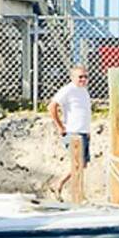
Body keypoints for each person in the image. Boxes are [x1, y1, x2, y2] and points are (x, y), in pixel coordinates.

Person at [49, 65, 92, 202]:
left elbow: (83, 112)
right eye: (80, 77)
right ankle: (76, 195)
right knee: (78, 164)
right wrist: (60, 126)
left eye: (85, 76)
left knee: (82, 164)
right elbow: (52, 106)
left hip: (83, 132)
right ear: (72, 77)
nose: (83, 79)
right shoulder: (68, 90)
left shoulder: (84, 91)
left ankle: (58, 184)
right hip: (73, 132)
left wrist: (88, 131)